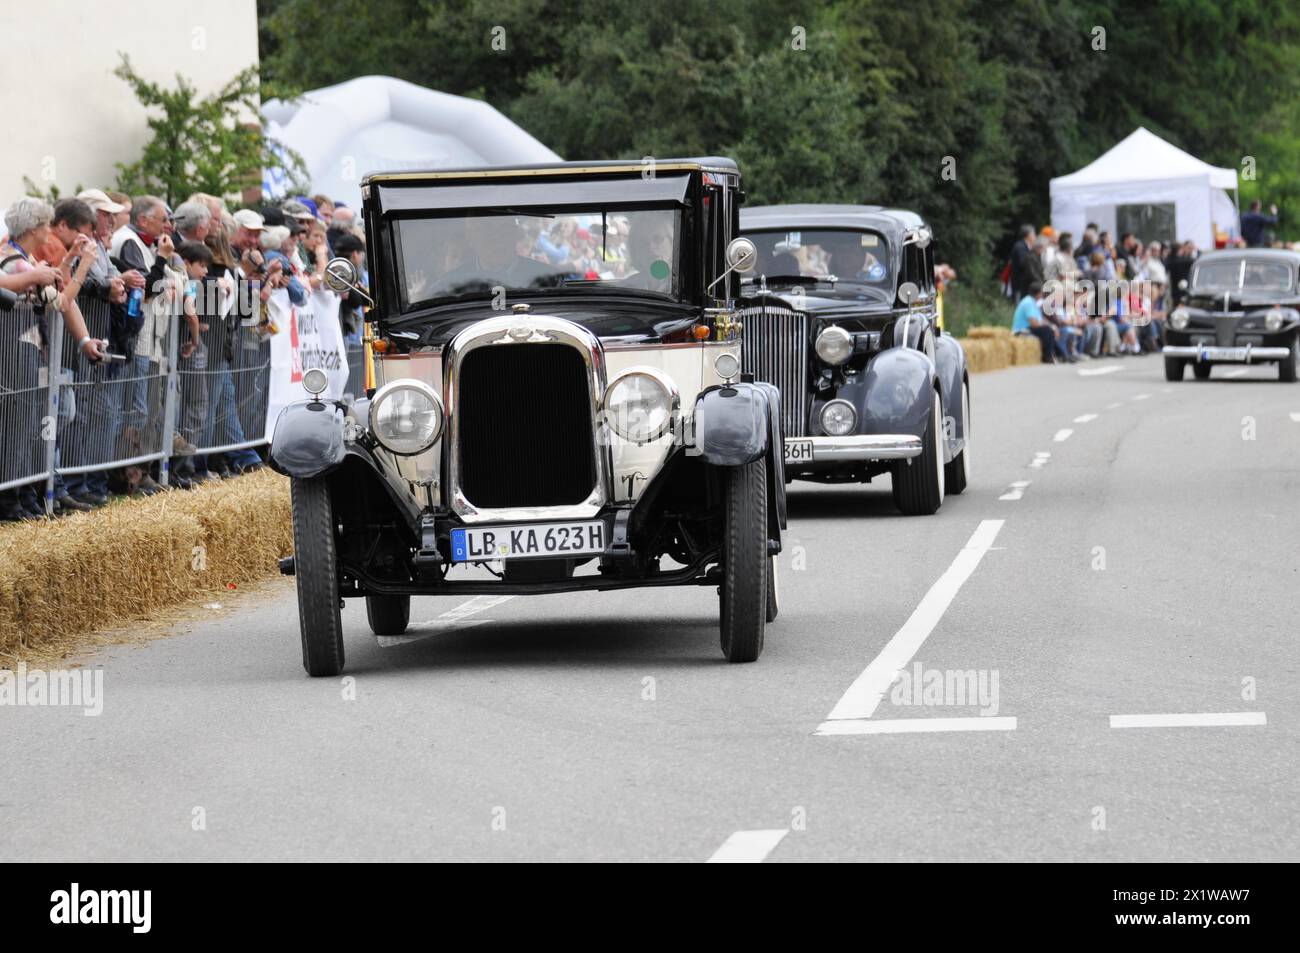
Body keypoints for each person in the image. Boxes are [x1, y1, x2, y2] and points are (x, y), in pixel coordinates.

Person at [1012, 282, 1056, 363]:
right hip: (1022, 330)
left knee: (1050, 330)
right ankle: (1046, 356)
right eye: (1042, 292)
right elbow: (1034, 323)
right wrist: (1049, 327)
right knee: (1047, 331)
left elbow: (1040, 319)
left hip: (1028, 328)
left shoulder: (1033, 302)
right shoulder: (1028, 303)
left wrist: (1052, 326)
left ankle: (1051, 355)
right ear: (1038, 293)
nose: (1043, 294)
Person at [1010, 225, 1042, 302]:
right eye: (1033, 234)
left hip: (1024, 283)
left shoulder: (1025, 246)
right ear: (1028, 235)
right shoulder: (1020, 247)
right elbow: (1023, 264)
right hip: (1019, 283)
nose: (1035, 236)